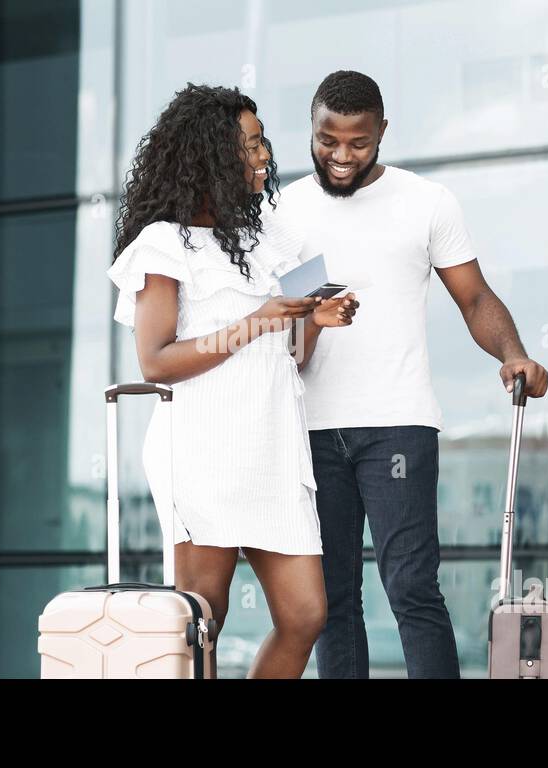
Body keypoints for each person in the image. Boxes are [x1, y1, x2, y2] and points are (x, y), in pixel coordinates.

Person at [272, 70, 548, 679]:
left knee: (412, 589)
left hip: (399, 425)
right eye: (327, 141)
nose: (341, 156)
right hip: (312, 428)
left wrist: (512, 353)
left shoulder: (426, 202)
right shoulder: (285, 212)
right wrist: (314, 321)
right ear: (312, 129)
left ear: (382, 133)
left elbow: (474, 299)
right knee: (333, 600)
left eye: (358, 143)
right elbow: (291, 340)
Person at [107, 83, 359, 678]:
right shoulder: (163, 244)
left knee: (305, 616)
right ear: (210, 155)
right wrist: (254, 324)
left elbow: (291, 358)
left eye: (263, 141)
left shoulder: (272, 241)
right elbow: (156, 362)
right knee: (204, 621)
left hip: (272, 452)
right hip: (202, 454)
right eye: (249, 146)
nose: (264, 156)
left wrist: (314, 321)